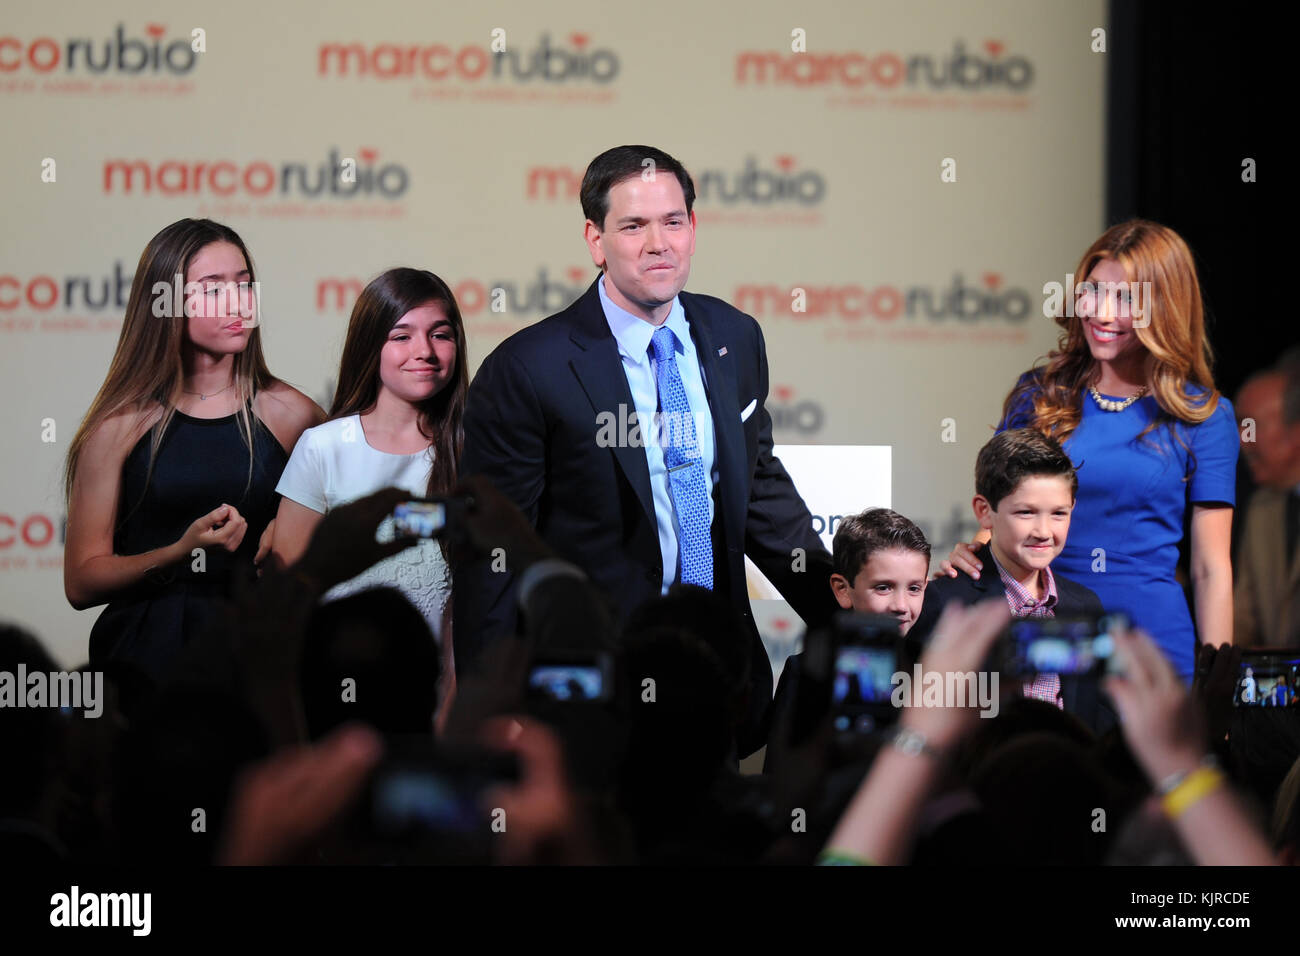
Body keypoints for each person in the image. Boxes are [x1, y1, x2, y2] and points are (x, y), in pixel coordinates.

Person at [453, 144, 837, 757]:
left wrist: (847, 611)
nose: (658, 243)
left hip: (719, 675)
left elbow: (759, 489)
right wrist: (490, 707)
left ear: (693, 228)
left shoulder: (735, 337)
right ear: (595, 238)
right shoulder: (528, 370)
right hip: (593, 688)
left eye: (673, 221)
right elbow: (492, 555)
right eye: (633, 225)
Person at [939, 220, 1238, 680]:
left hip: (1152, 644)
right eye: (1093, 291)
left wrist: (1221, 688)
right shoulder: (1037, 394)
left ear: (1165, 307)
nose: (1101, 312)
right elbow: (1002, 511)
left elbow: (1210, 569)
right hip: (1043, 631)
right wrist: (973, 556)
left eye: (1126, 299)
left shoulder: (1205, 416)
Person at [63, 218, 322, 709]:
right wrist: (177, 553)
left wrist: (292, 536)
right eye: (213, 288)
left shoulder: (294, 415)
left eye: (245, 284)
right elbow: (81, 581)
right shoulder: (117, 428)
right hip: (142, 665)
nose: (239, 303)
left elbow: (341, 530)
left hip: (259, 661)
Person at [271, 268, 466, 657]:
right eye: (402, 336)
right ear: (370, 345)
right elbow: (287, 594)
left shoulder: (474, 450)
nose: (424, 351)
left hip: (442, 691)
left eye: (440, 334)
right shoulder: (323, 448)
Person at [913, 429, 1108, 726]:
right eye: (1026, 512)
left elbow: (1096, 714)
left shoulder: (1085, 605)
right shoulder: (947, 603)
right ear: (984, 512)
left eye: (1058, 514)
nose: (1043, 531)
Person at [1233, 351, 1300, 648]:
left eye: (1249, 426)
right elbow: (1241, 624)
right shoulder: (1261, 510)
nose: (1241, 440)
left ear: (1295, 432)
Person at [828, 508, 931, 635]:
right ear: (842, 589)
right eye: (883, 588)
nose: (901, 606)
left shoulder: (938, 654)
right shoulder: (817, 655)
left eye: (914, 589)